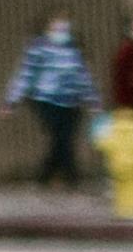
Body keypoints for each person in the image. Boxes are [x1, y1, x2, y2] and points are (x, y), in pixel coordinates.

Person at [17, 14, 101, 187]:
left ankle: (45, 176)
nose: (61, 32)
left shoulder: (74, 50)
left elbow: (83, 76)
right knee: (60, 138)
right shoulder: (38, 48)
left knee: (64, 139)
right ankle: (71, 178)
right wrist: (12, 99)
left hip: (71, 100)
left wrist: (92, 99)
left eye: (64, 28)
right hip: (46, 99)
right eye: (56, 28)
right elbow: (26, 75)